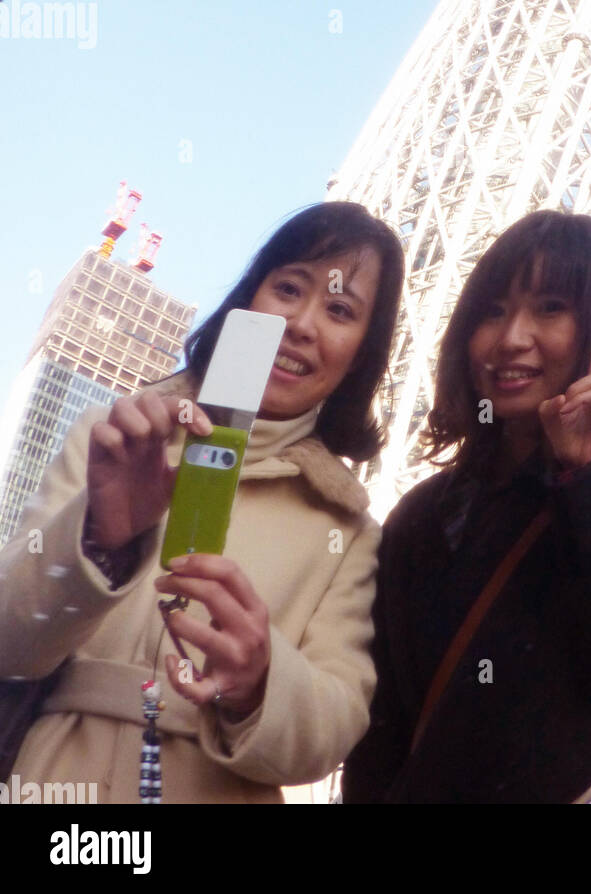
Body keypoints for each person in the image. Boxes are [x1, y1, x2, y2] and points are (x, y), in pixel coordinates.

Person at [0, 201, 404, 803]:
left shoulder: (347, 530)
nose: (303, 324)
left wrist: (262, 682)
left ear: (361, 356)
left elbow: (333, 731)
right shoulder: (110, 438)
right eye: (289, 287)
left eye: (341, 310)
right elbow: (11, 640)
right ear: (247, 299)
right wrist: (98, 543)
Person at [342, 209, 591, 804]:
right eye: (492, 312)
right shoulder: (421, 516)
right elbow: (379, 731)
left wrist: (590, 471)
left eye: (550, 308)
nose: (511, 337)